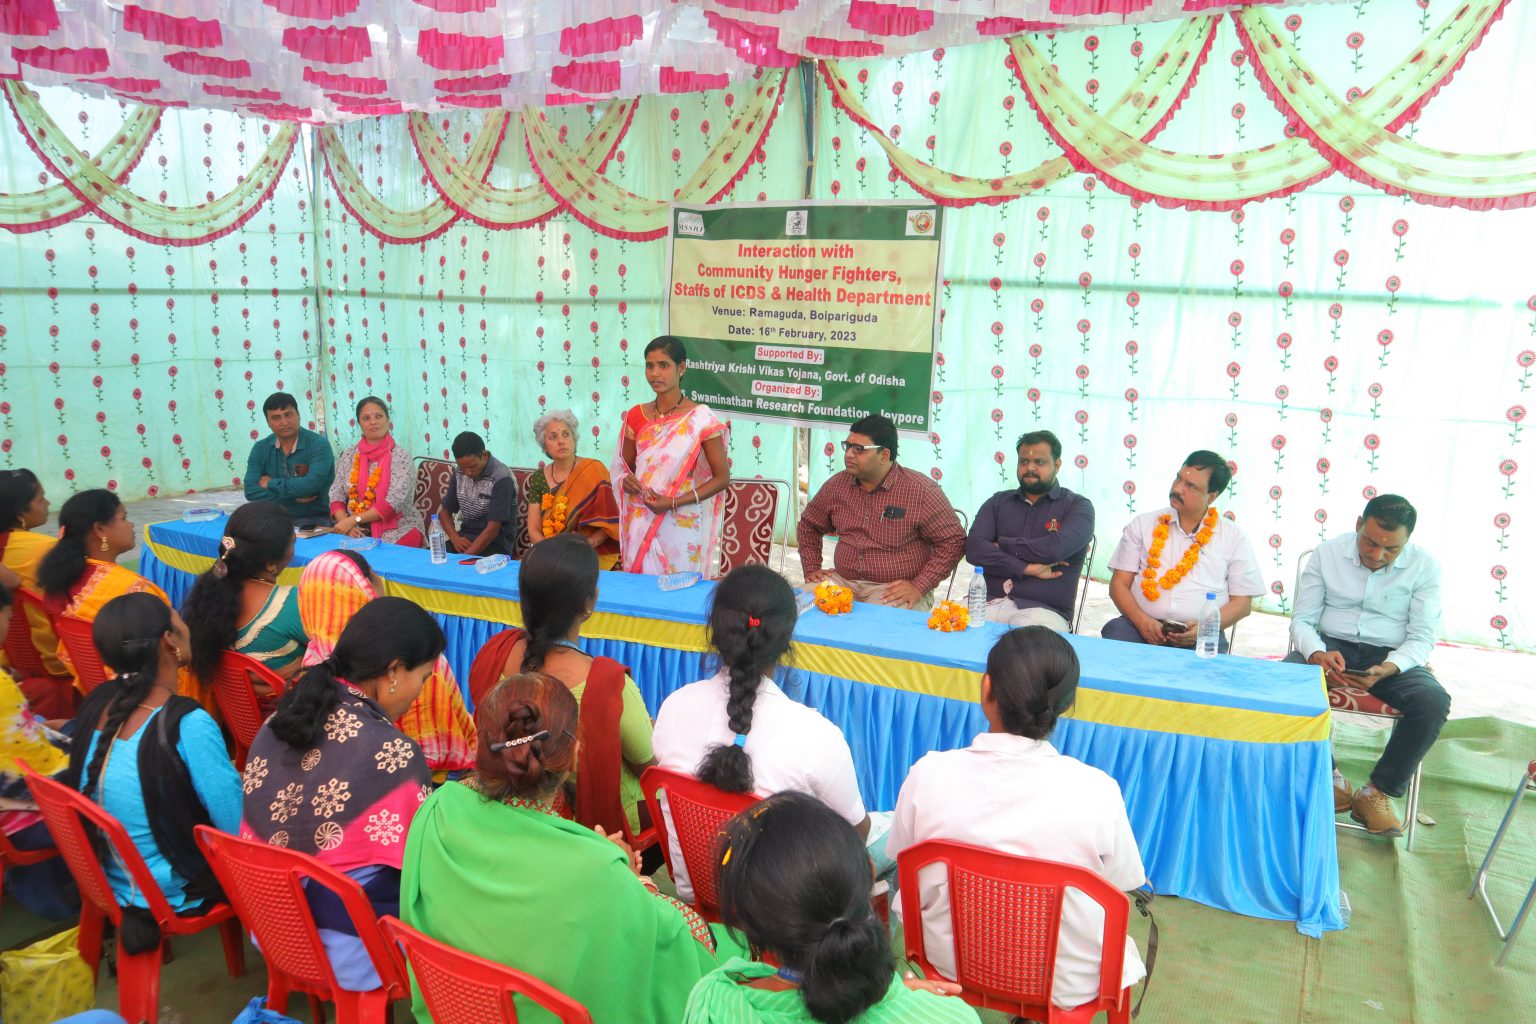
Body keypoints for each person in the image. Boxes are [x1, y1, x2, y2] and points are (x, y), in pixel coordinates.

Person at [401, 672, 727, 1024]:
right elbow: (669, 953)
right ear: (572, 753)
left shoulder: (439, 808)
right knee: (713, 940)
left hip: (455, 1006)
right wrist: (634, 882)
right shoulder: (598, 870)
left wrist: (601, 863)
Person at [888, 627, 1147, 1012]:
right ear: (1066, 704)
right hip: (1064, 982)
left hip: (945, 961)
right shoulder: (1097, 791)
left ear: (986, 689)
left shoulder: (927, 774)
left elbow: (901, 860)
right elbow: (1123, 884)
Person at [241, 597, 440, 991]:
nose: (421, 691)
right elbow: (423, 864)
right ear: (395, 671)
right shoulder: (393, 751)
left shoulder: (279, 721)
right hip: (351, 954)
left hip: (270, 931)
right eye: (425, 677)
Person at [652, 565, 871, 903]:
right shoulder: (816, 736)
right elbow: (855, 833)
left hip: (696, 898)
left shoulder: (672, 708)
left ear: (716, 632)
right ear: (786, 642)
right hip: (779, 917)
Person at [686, 791, 976, 1024]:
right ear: (870, 871)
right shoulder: (953, 1016)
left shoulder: (713, 1003)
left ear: (752, 928)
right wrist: (909, 1007)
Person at [62, 594, 240, 947]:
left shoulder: (96, 703)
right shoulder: (186, 722)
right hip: (175, 889)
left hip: (112, 880)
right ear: (169, 640)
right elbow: (236, 829)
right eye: (178, 618)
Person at [465, 534, 655, 836]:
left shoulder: (495, 653)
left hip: (508, 808)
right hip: (596, 827)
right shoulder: (606, 685)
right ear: (588, 603)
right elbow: (647, 767)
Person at [1287, 494, 1446, 837]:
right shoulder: (1327, 554)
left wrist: (1390, 667)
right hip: (1330, 646)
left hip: (1390, 656)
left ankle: (1376, 792)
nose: (1377, 555)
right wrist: (1316, 653)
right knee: (1286, 681)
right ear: (1358, 524)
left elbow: (1421, 638)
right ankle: (1327, 776)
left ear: (1407, 542)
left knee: (1433, 701)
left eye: (1392, 550)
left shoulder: (1425, 566)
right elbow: (1302, 620)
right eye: (1370, 543)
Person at [298, 550, 475, 775]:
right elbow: (455, 732)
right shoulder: (416, 660)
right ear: (364, 589)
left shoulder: (313, 660)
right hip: (422, 776)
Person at [798, 415, 964, 611]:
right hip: (842, 582)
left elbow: (954, 541)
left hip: (893, 589)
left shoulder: (920, 491)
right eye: (848, 446)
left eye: (858, 449)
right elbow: (809, 525)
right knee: (794, 606)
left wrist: (919, 586)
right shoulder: (837, 485)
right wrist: (812, 569)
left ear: (884, 455)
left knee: (877, 628)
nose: (849, 454)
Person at [1101, 450, 1263, 651]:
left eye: (1191, 486)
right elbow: (1118, 584)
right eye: (1178, 478)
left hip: (1200, 634)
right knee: (1115, 635)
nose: (1177, 488)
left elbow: (1242, 604)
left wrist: (1205, 628)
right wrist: (1142, 622)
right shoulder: (1144, 524)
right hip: (1138, 626)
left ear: (1211, 497)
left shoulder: (1233, 536)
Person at [612, 336, 731, 576]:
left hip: (681, 518)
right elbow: (623, 468)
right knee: (641, 590)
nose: (655, 373)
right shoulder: (636, 415)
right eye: (649, 365)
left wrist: (674, 502)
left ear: (682, 368)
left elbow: (722, 478)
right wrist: (625, 480)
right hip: (642, 514)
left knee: (679, 592)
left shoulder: (701, 419)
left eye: (663, 365)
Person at [0, 584, 79, 919]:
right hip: (22, 818)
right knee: (123, 774)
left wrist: (44, 728)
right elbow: (44, 774)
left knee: (73, 728)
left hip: (15, 803)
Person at [37, 490, 174, 681]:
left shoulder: (63, 580)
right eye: (124, 518)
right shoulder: (132, 589)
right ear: (100, 530)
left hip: (100, 692)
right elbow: (170, 650)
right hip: (145, 690)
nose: (131, 524)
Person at [965, 430, 1095, 630]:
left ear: (1057, 465)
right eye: (1023, 461)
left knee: (1025, 642)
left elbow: (1054, 550)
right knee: (940, 629)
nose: (1030, 468)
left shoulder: (1078, 507)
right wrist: (1027, 568)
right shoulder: (998, 502)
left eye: (1040, 462)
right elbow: (974, 548)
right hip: (985, 601)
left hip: (1043, 611)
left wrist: (1002, 544)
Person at [181, 502, 307, 702]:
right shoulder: (291, 603)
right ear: (271, 564)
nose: (293, 550)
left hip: (244, 724)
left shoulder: (208, 600)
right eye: (293, 543)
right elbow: (343, 652)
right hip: (293, 720)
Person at [0, 469, 73, 714]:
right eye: (41, 500)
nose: (48, 504)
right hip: (60, 664)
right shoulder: (46, 550)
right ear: (20, 514)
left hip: (11, 661)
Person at [527, 409, 620, 568]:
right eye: (552, 437)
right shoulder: (538, 478)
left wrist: (588, 544)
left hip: (589, 554)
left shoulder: (594, 470)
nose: (561, 441)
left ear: (574, 439)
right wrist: (551, 552)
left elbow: (610, 521)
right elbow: (534, 529)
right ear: (545, 446)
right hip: (549, 553)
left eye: (566, 434)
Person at [328, 396, 424, 547]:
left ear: (387, 419)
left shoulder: (400, 457)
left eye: (378, 416)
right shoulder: (349, 455)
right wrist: (345, 524)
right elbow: (336, 495)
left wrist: (353, 520)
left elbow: (393, 504)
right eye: (366, 418)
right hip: (354, 530)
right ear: (359, 423)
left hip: (397, 530)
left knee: (384, 561)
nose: (373, 422)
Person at [244, 391, 335, 527]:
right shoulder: (260, 448)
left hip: (314, 517)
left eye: (288, 415)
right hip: (272, 517)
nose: (284, 422)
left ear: (298, 415)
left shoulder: (319, 445)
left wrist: (271, 484)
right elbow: (250, 491)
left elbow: (312, 485)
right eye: (276, 418)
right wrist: (295, 498)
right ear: (268, 422)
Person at [439, 431, 517, 558]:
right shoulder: (459, 473)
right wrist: (455, 538)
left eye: (472, 467)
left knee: (466, 570)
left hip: (496, 544)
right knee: (429, 557)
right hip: (466, 538)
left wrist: (463, 559)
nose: (468, 473)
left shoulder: (501, 477)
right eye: (462, 467)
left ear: (485, 455)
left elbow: (493, 530)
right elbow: (444, 513)